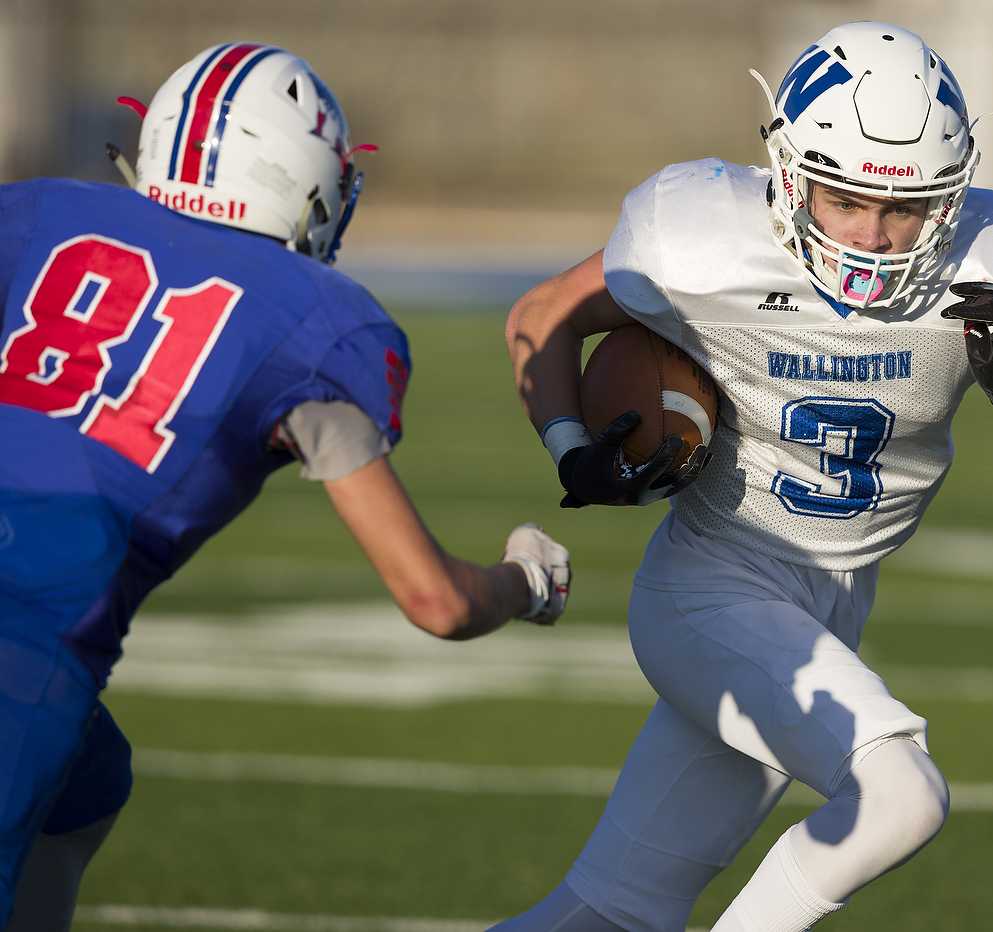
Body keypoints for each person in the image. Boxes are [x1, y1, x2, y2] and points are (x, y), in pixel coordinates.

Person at [499, 21, 993, 932]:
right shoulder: (702, 242)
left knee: (612, 912)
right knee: (900, 798)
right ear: (790, 171)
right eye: (846, 200)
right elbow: (545, 313)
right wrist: (572, 448)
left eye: (905, 209)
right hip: (711, 584)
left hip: (829, 604)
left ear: (950, 195)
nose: (874, 239)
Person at [0, 43, 570, 932]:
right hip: (25, 651)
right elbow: (435, 599)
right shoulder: (315, 319)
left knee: (88, 784)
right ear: (308, 184)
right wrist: (526, 580)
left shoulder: (33, 212)